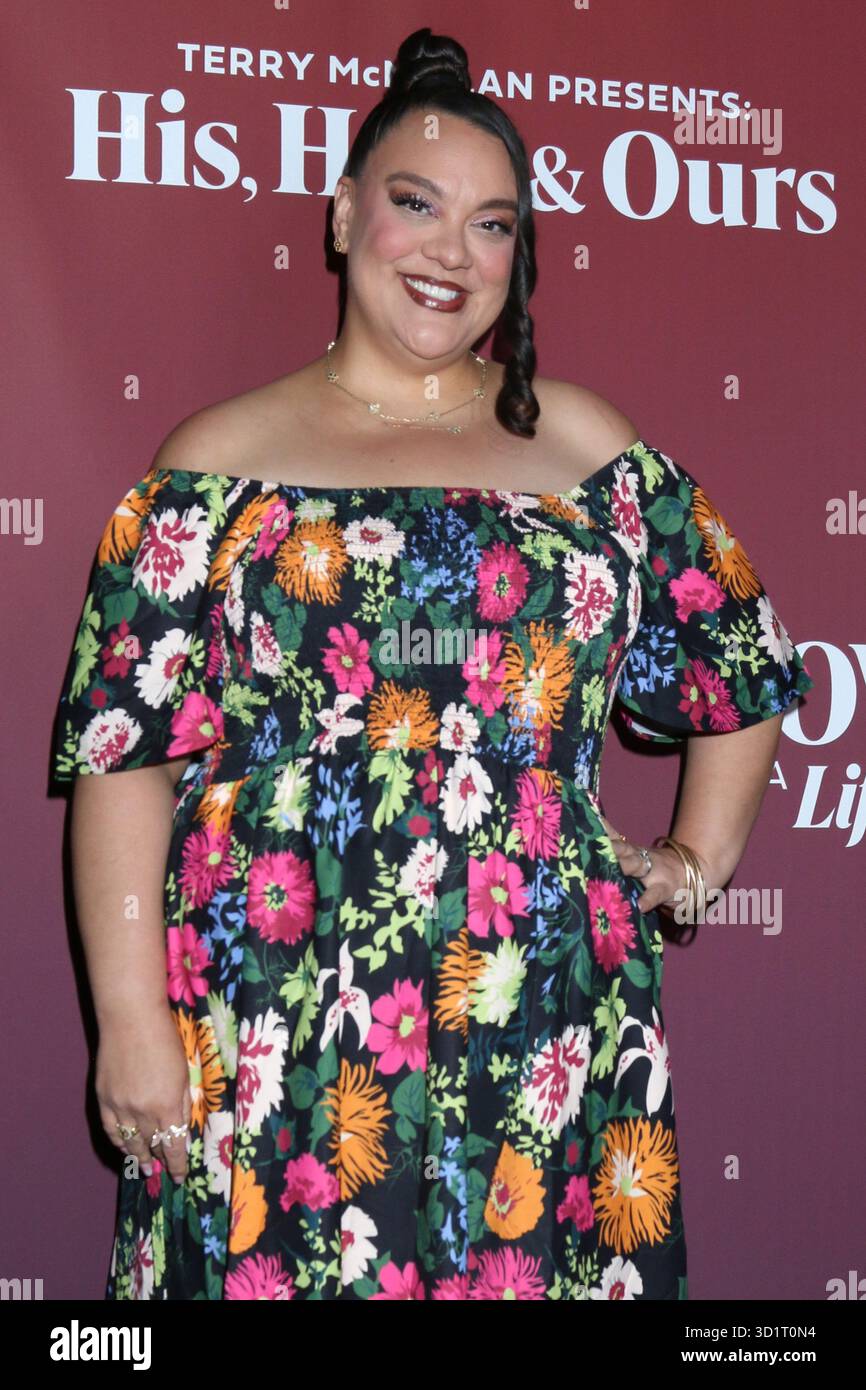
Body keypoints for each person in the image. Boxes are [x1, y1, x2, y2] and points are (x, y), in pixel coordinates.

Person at [51, 27, 814, 1301]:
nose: (452, 252)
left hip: (543, 1016)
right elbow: (126, 759)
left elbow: (738, 659)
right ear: (343, 214)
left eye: (491, 224)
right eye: (416, 204)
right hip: (273, 1010)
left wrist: (693, 860)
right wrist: (131, 1022)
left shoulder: (584, 452)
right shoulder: (214, 462)